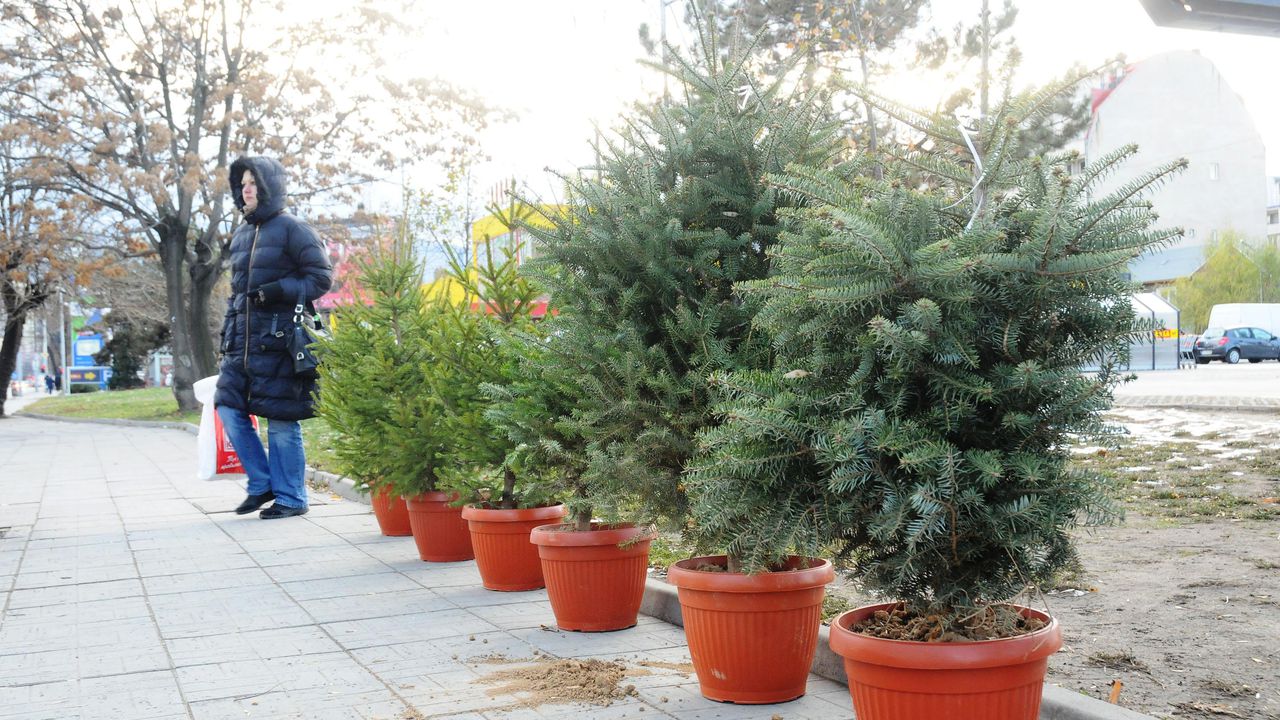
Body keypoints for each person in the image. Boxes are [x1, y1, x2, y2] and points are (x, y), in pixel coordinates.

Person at [215, 156, 332, 519]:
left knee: (281, 420)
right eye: (243, 183)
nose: (246, 189)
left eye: (253, 183)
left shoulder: (293, 228)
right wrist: (228, 335)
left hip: (281, 341)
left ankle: (292, 498)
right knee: (227, 407)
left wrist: (278, 289)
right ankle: (262, 482)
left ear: (269, 187)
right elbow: (237, 294)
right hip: (242, 346)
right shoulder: (242, 233)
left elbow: (320, 278)